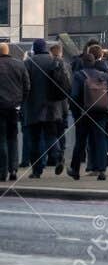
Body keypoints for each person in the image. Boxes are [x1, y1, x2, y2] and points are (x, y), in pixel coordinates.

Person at [69, 43, 108, 181]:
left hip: (84, 113)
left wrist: (76, 113)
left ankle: (75, 170)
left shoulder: (79, 75)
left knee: (81, 141)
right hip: (101, 112)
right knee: (100, 139)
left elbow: (74, 96)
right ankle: (102, 170)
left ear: (83, 63)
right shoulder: (103, 76)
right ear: (94, 62)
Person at [24, 40, 65, 178]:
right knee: (51, 135)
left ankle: (37, 170)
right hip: (53, 106)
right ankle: (58, 155)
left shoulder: (29, 63)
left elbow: (25, 84)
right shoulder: (55, 61)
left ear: (34, 49)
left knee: (35, 140)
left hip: (34, 106)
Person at [0, 41, 30, 181]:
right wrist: (20, 102)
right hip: (14, 107)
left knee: (1, 139)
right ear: (8, 51)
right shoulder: (19, 65)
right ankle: (13, 169)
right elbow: (27, 86)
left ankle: (2, 171)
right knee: (13, 138)